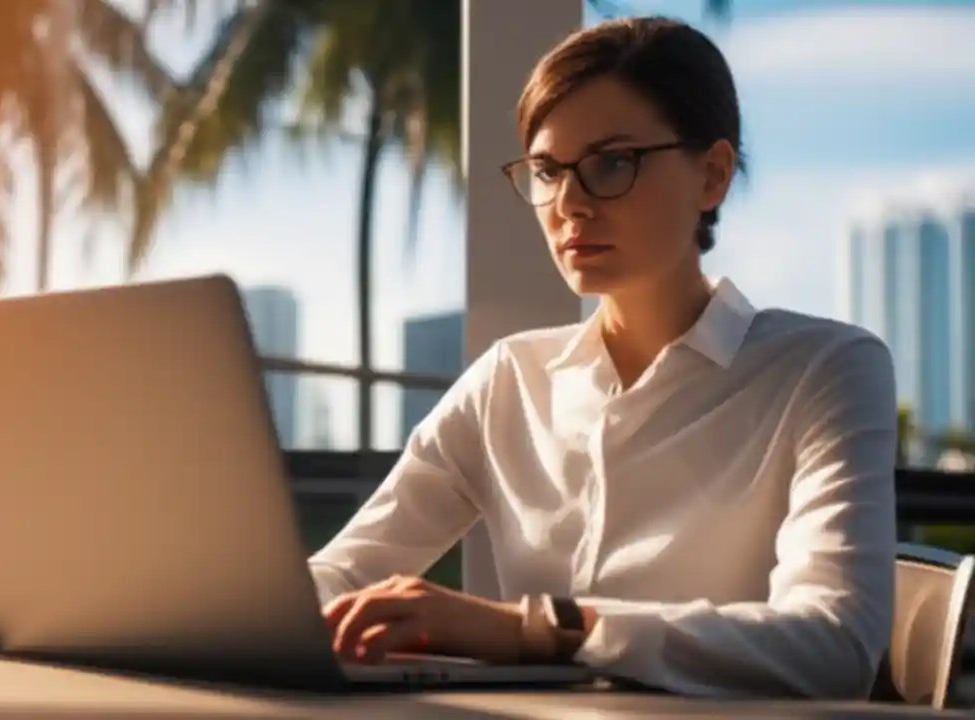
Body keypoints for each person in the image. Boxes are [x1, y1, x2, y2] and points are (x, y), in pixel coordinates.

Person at [309, 16, 897, 699]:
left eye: (611, 164)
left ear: (712, 175)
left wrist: (541, 627)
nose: (569, 204)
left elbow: (834, 644)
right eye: (548, 171)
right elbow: (346, 572)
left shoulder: (825, 369)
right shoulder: (511, 380)